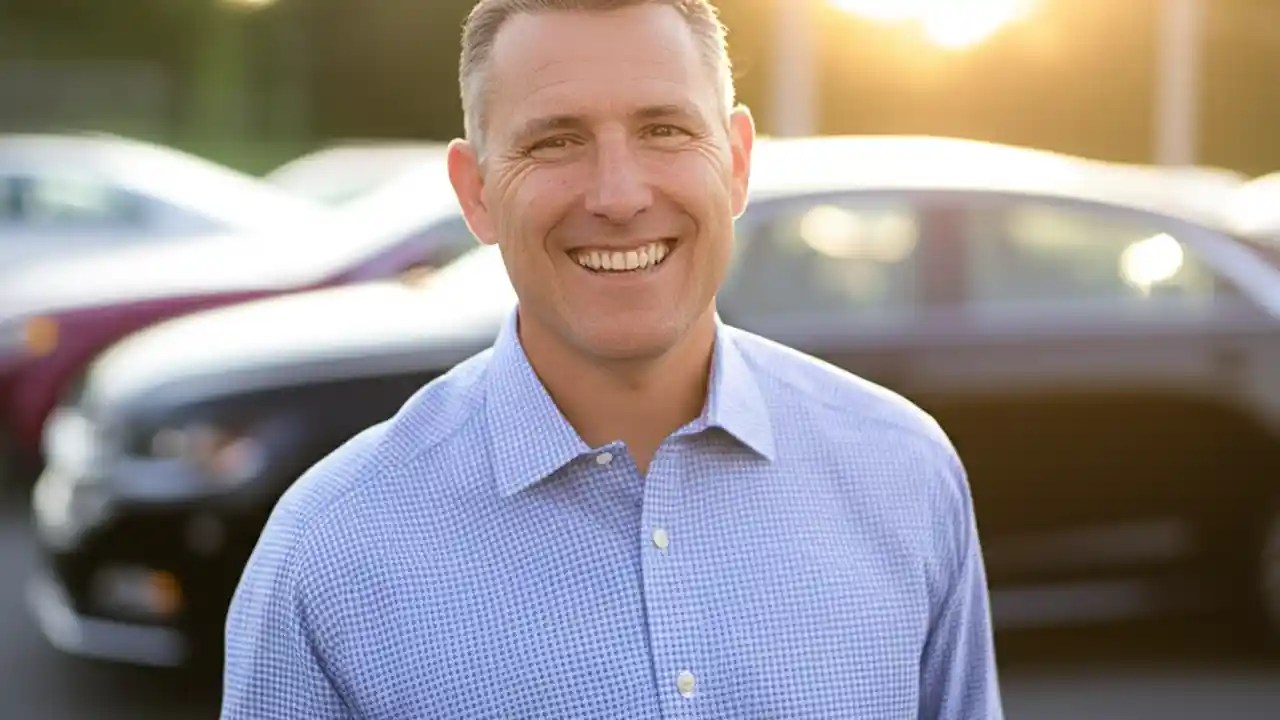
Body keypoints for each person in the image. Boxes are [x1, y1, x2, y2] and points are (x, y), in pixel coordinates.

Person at [221, 1, 1003, 717]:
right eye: (555, 141)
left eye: (665, 130)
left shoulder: (904, 470)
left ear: (736, 163)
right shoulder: (330, 550)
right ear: (477, 192)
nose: (620, 196)